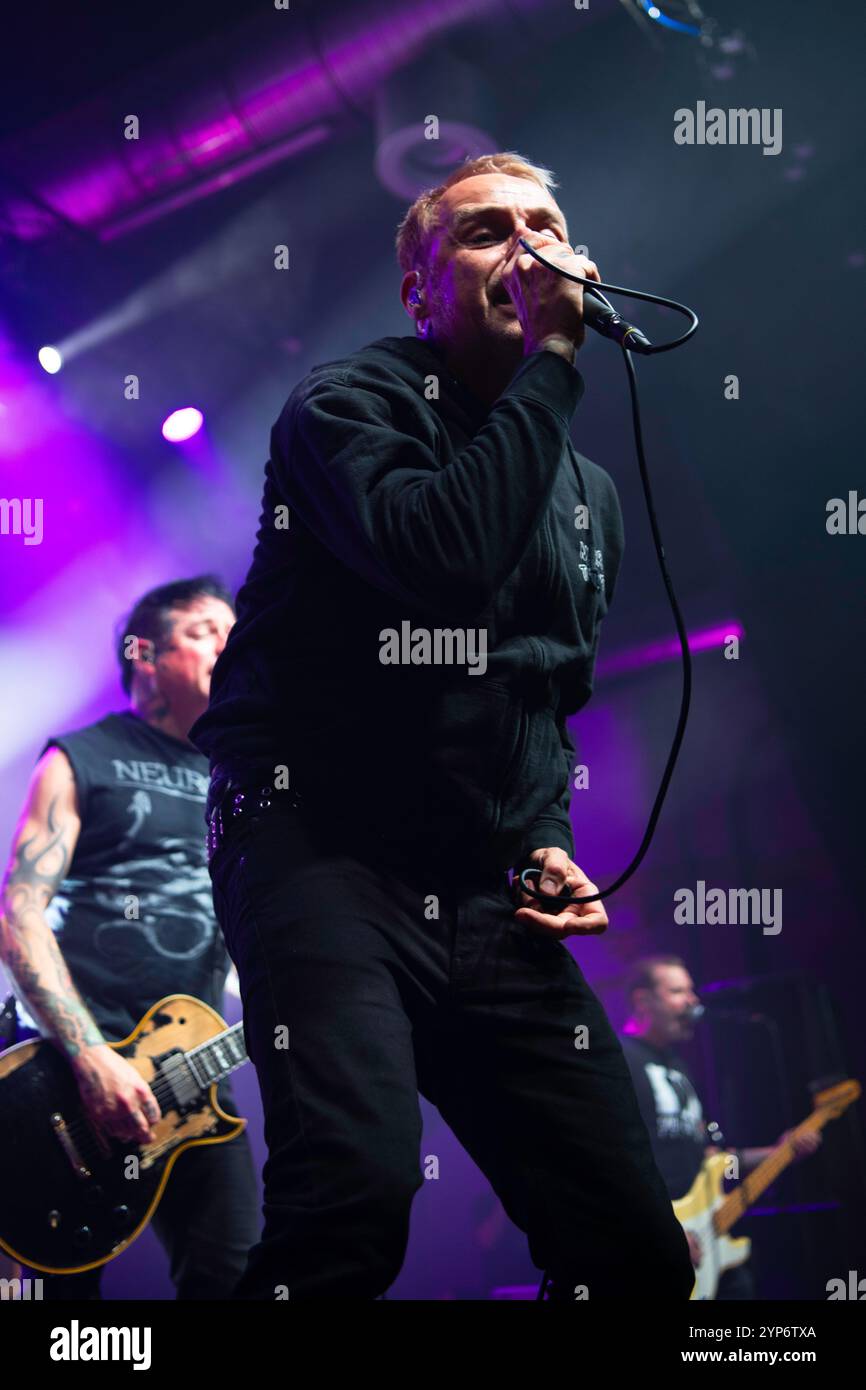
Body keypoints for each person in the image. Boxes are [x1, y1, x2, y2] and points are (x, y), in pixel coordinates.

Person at [192, 151, 694, 1301]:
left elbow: (544, 688)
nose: (522, 247)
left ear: (580, 266)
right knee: (352, 1198)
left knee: (632, 1246)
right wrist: (555, 359)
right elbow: (439, 559)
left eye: (543, 226)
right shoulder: (347, 403)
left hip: (483, 881)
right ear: (420, 290)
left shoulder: (588, 496)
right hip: (317, 846)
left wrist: (544, 833)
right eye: (483, 233)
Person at [0, 576, 260, 1299]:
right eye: (207, 629)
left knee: (234, 1277)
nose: (230, 641)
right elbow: (19, 913)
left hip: (195, 1078)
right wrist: (91, 1060)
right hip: (62, 1079)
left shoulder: (239, 779)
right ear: (144, 652)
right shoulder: (81, 755)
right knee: (66, 1318)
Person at [620, 955, 822, 1299]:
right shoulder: (621, 1058)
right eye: (678, 991)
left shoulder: (680, 1067)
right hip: (657, 1237)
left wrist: (779, 1152)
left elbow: (712, 1157)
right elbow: (615, 1156)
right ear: (643, 1000)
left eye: (692, 991)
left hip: (707, 1236)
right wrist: (660, 1227)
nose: (692, 1001)